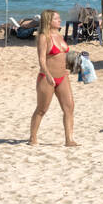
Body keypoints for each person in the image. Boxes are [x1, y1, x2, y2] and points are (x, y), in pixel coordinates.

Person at [29, 10, 77, 147]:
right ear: (49, 21)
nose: (59, 20)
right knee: (42, 109)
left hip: (63, 77)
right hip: (47, 77)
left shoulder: (59, 35)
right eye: (56, 18)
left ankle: (69, 139)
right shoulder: (44, 37)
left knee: (69, 107)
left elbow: (63, 55)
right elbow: (42, 60)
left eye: (59, 18)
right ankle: (32, 137)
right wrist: (48, 75)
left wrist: (72, 65)